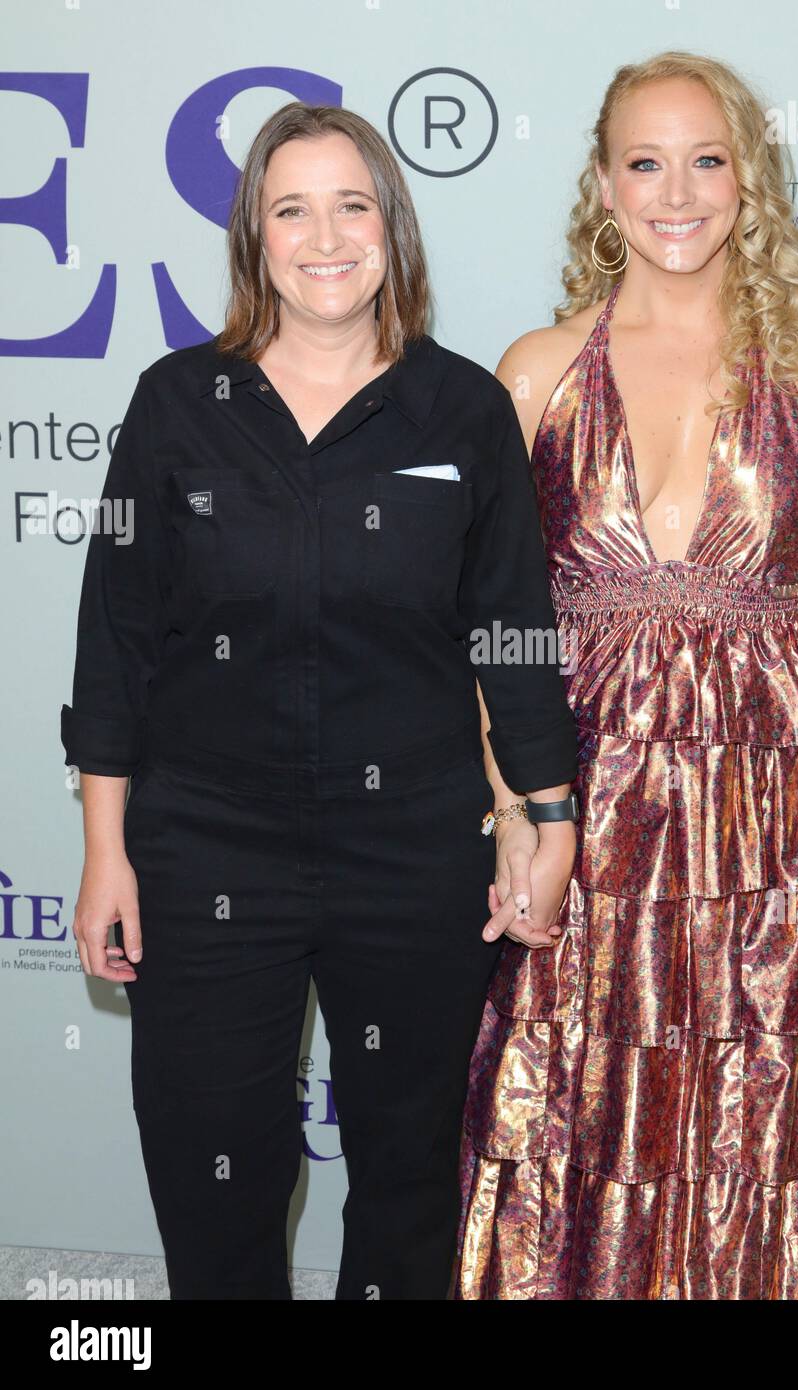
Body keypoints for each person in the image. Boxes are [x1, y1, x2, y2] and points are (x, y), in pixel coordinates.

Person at [60, 101, 579, 1301]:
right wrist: (104, 848)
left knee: (407, 1180)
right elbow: (116, 642)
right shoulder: (177, 403)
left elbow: (509, 631)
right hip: (202, 846)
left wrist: (545, 814)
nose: (326, 235)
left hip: (409, 852)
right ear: (255, 237)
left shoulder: (461, 411)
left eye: (352, 204)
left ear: (390, 228)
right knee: (213, 1177)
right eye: (292, 208)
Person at [454, 52, 798, 1300]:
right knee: (573, 1105)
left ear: (746, 182)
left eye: (705, 159)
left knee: (763, 1114)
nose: (675, 191)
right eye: (643, 162)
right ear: (601, 187)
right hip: (583, 805)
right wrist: (511, 809)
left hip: (773, 815)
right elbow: (496, 623)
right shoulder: (534, 369)